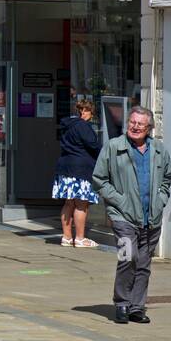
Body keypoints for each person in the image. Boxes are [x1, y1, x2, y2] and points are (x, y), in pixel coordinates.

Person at [93, 106, 171, 325]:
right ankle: (121, 304)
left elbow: (167, 177)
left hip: (151, 217)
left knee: (144, 263)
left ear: (149, 128)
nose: (135, 127)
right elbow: (99, 179)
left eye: (141, 124)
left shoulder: (158, 149)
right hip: (122, 216)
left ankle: (137, 307)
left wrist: (161, 199)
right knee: (129, 257)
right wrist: (119, 200)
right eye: (132, 122)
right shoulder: (113, 147)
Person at [54, 99, 103, 248]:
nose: (88, 114)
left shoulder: (67, 125)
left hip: (64, 166)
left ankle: (67, 237)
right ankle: (80, 238)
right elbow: (94, 146)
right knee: (81, 204)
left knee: (68, 202)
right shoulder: (83, 126)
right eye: (88, 111)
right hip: (80, 168)